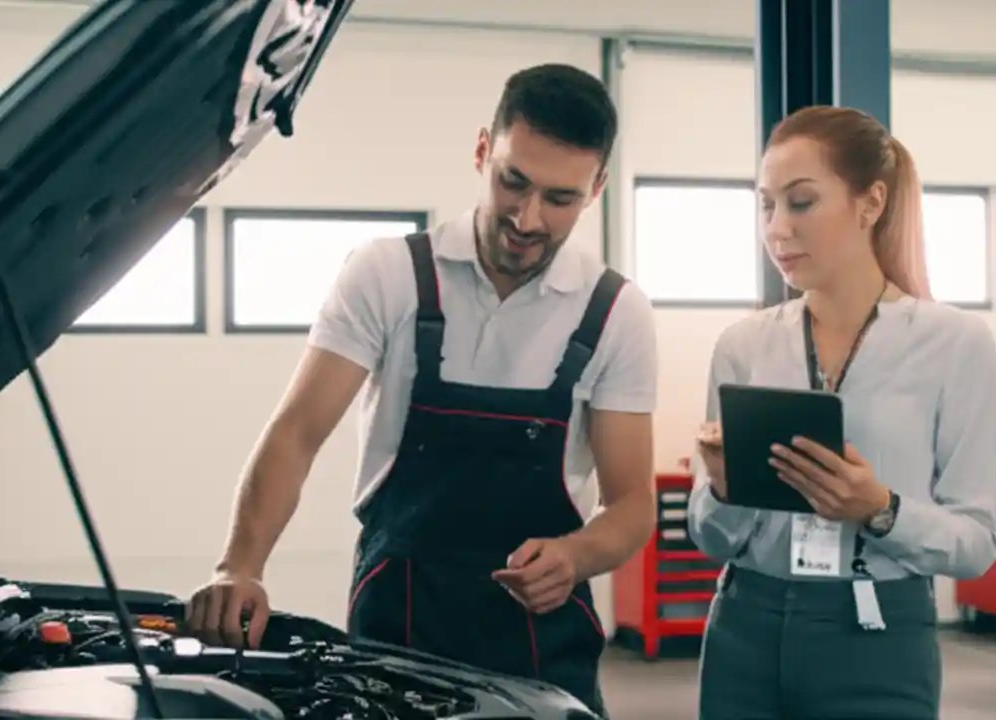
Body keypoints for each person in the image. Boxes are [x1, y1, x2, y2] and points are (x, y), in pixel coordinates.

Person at [185, 63, 658, 717]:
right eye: (512, 182)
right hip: (398, 623)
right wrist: (240, 564)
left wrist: (577, 555)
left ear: (596, 188)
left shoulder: (615, 313)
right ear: (483, 150)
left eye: (560, 198)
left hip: (542, 641)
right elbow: (296, 433)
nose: (527, 217)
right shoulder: (388, 276)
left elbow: (633, 503)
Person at [688, 105, 996, 720]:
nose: (778, 228)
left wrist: (881, 511)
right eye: (766, 205)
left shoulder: (954, 343)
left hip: (878, 635)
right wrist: (723, 490)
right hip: (743, 627)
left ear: (870, 203)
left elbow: (977, 542)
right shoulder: (742, 345)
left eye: (801, 202)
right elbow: (710, 538)